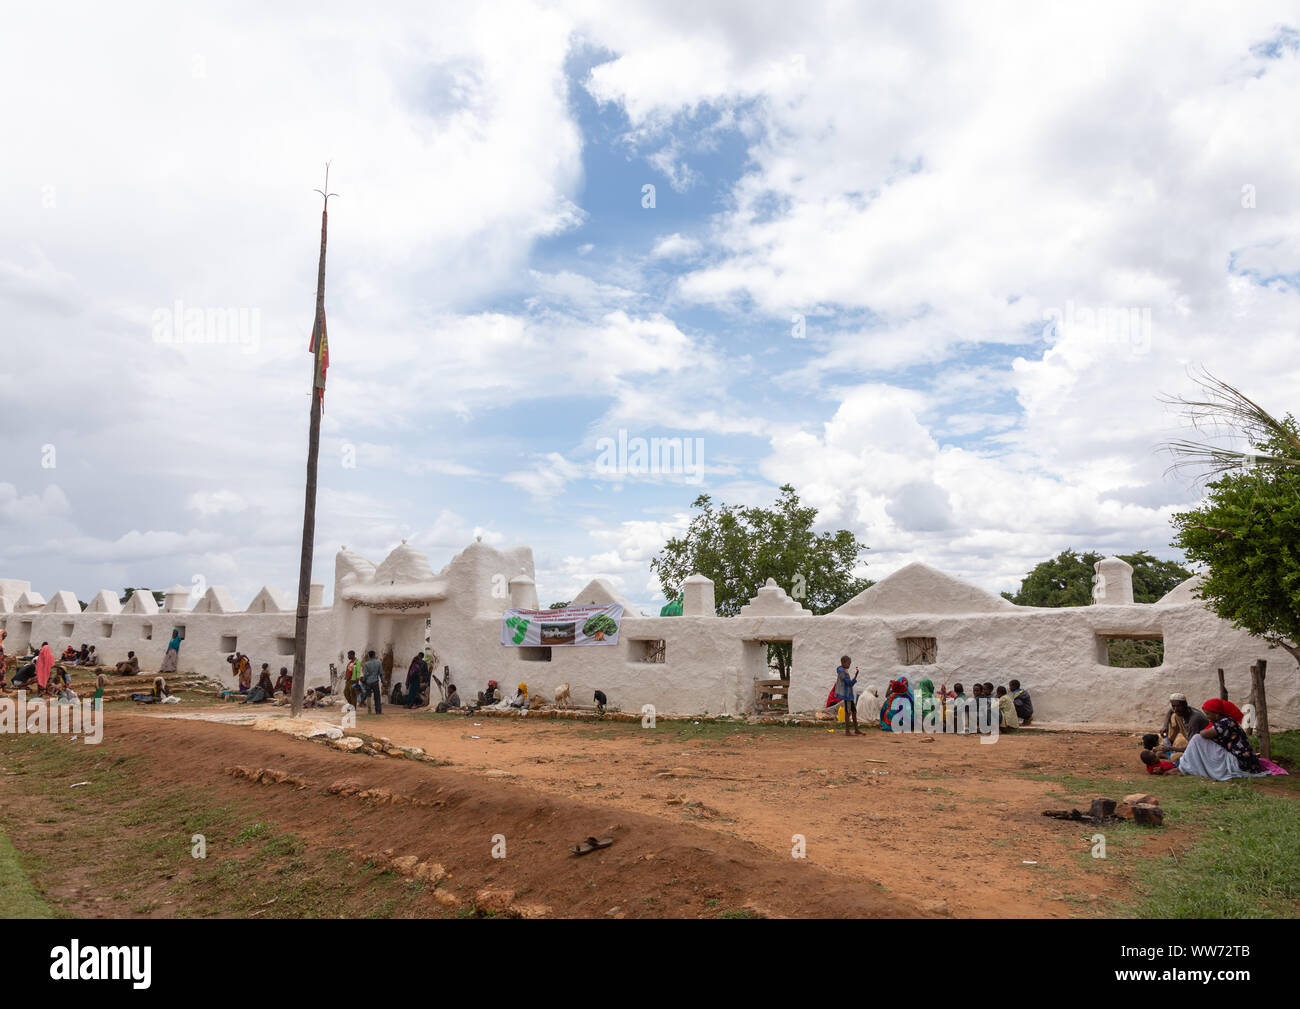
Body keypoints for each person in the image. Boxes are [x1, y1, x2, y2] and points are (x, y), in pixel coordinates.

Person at [1178, 698, 1267, 780]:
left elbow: (1204, 734)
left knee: (1197, 738)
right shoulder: (1226, 721)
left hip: (1240, 763)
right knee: (1197, 739)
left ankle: (1184, 767)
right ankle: (1186, 766)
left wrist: (1202, 731)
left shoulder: (1226, 722)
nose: (1207, 716)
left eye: (1208, 714)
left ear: (1216, 714)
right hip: (1245, 762)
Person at [835, 655, 860, 735]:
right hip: (847, 695)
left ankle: (856, 730)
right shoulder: (843, 672)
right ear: (844, 663)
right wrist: (855, 677)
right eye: (849, 663)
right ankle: (847, 731)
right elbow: (849, 684)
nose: (849, 665)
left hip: (850, 695)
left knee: (854, 712)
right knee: (848, 713)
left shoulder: (843, 670)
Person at [357, 650, 383, 714]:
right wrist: (382, 680)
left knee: (368, 696)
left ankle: (369, 711)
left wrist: (364, 680)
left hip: (368, 682)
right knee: (377, 697)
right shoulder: (378, 663)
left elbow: (365, 674)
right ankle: (378, 711)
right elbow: (380, 673)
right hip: (375, 682)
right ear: (374, 655)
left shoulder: (366, 664)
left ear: (369, 656)